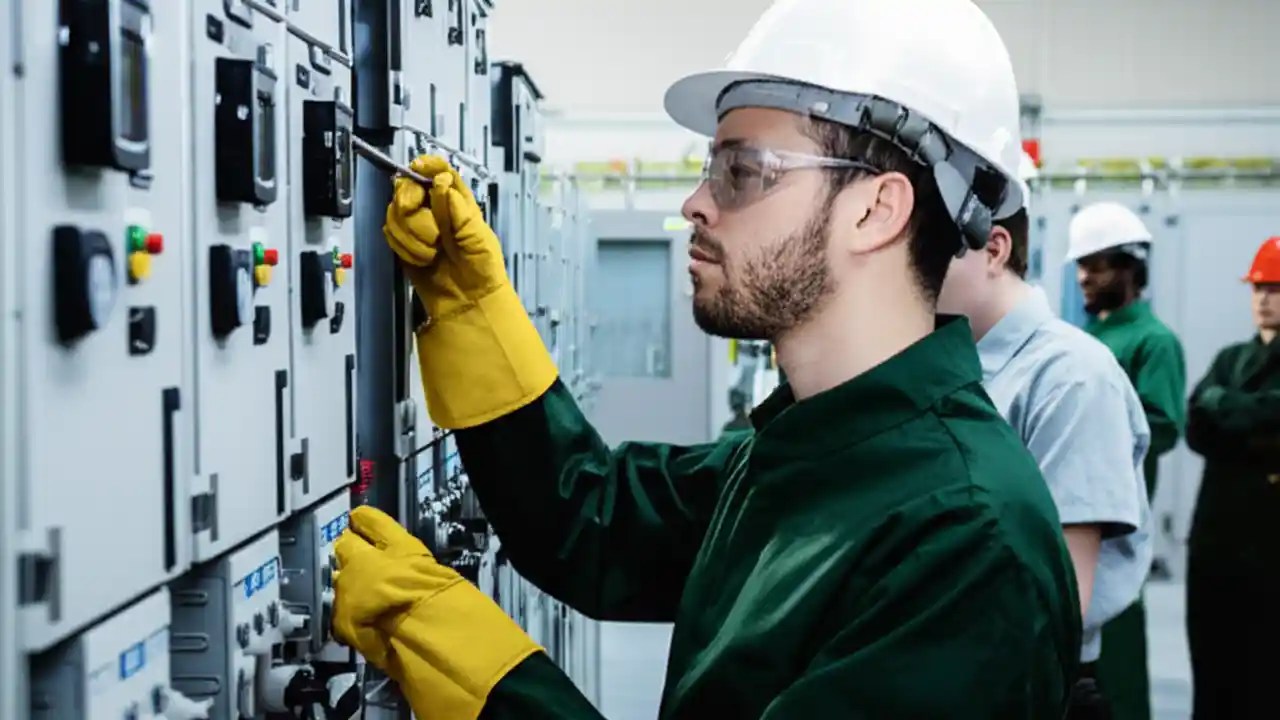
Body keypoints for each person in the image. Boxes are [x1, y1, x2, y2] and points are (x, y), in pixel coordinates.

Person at [330, 1, 1082, 717]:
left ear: (874, 211)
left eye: (742, 172)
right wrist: (469, 307)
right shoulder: (808, 453)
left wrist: (490, 687)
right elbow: (589, 518)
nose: (696, 201)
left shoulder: (967, 542)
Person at [937, 161, 1153, 720]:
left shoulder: (1070, 376)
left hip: (1028, 685)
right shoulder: (955, 368)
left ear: (995, 249)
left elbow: (1058, 603)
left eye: (932, 250)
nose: (911, 270)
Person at [1065, 201, 1188, 720]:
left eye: (1096, 265)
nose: (1083, 276)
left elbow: (1160, 426)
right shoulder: (1089, 338)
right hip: (1077, 513)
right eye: (1082, 265)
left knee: (1116, 652)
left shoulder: (1153, 341)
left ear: (1130, 269)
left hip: (1119, 520)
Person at [1183, 236, 1280, 719]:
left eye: (1276, 289)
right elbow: (1196, 426)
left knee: (1263, 670)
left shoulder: (1229, 373)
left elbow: (1253, 417)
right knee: (1214, 662)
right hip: (1216, 538)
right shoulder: (1229, 359)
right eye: (1259, 288)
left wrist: (1227, 408)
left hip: (1268, 545)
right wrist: (1248, 421)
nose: (1264, 299)